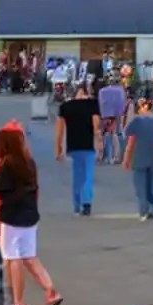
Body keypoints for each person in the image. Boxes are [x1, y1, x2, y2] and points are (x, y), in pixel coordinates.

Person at [0, 121, 62, 305]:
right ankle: (50, 290)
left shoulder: (5, 165)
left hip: (11, 217)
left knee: (13, 257)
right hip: (30, 215)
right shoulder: (29, 162)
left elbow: (1, 193)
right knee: (30, 257)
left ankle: (18, 301)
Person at [54, 84, 102, 216]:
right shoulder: (92, 104)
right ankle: (86, 203)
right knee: (88, 175)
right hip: (88, 145)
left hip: (73, 146)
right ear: (87, 92)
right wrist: (99, 143)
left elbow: (59, 130)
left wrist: (58, 149)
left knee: (77, 176)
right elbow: (96, 125)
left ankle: (77, 204)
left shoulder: (65, 107)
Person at [123, 98, 153, 221]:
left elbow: (131, 141)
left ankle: (143, 210)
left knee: (141, 186)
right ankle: (151, 208)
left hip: (139, 158)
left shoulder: (135, 122)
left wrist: (126, 159)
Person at [97, 76, 127, 164]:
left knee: (103, 134)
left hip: (105, 114)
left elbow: (100, 103)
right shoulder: (120, 90)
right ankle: (118, 156)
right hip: (117, 114)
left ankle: (103, 155)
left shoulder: (102, 91)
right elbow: (123, 102)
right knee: (116, 134)